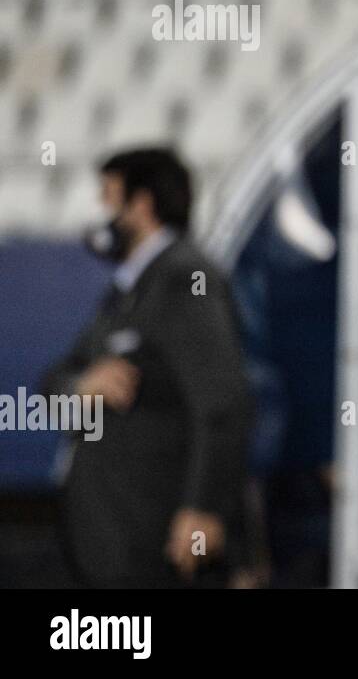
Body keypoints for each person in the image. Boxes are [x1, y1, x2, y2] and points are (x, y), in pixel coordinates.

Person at [43, 147, 253, 587]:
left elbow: (222, 402)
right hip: (112, 536)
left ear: (140, 205)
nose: (100, 211)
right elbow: (52, 382)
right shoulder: (129, 288)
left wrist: (203, 508)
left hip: (155, 541)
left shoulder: (186, 278)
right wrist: (81, 387)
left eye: (108, 196)